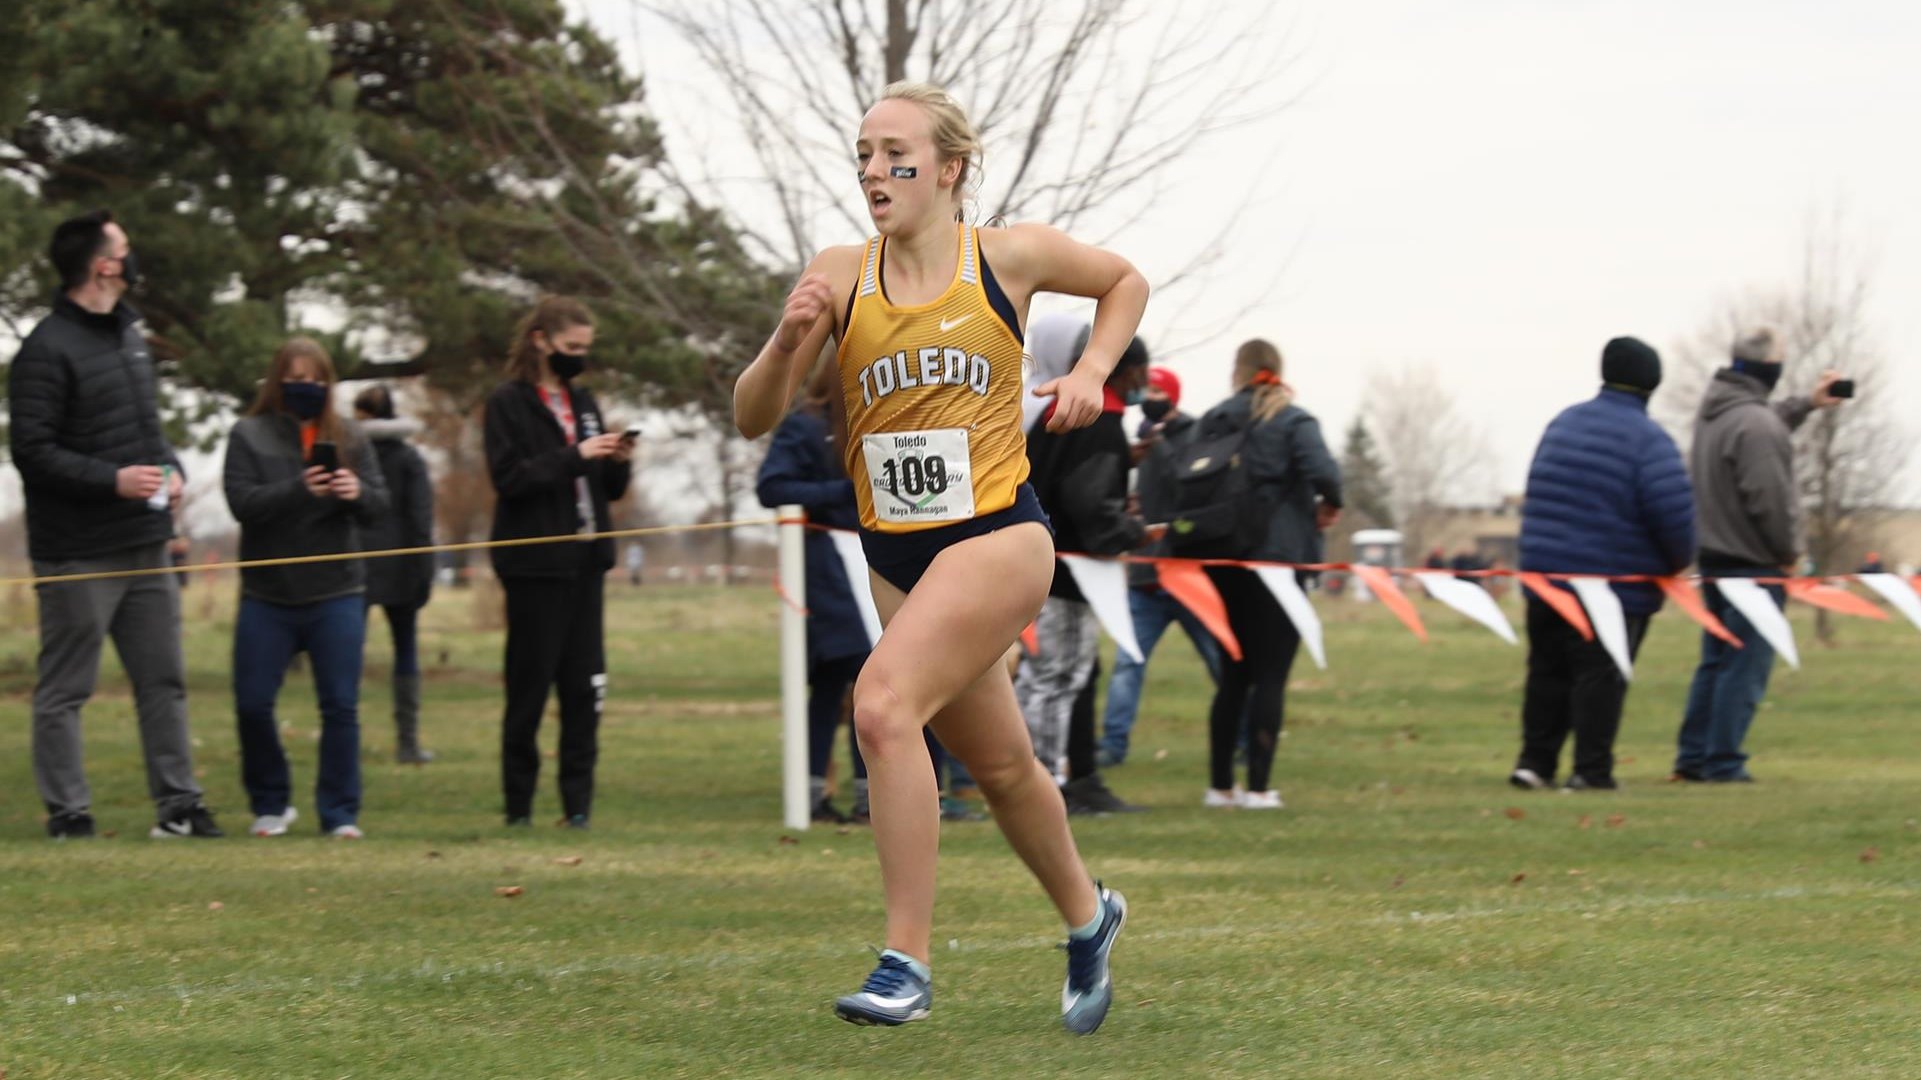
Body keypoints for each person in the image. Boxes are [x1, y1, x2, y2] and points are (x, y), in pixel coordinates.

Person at [731, 81, 1144, 1034]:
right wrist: (787, 343)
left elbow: (1125, 281)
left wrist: (1089, 371)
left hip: (999, 535)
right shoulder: (839, 274)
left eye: (894, 155)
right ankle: (1089, 917)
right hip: (896, 555)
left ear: (949, 168)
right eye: (864, 155)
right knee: (1000, 768)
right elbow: (753, 416)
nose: (874, 171)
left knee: (880, 707)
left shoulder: (1008, 255)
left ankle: (904, 961)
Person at [7, 209, 222, 840]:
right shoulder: (45, 348)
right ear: (103, 265)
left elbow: (146, 432)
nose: (132, 257)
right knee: (66, 690)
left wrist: (172, 470)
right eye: (124, 248)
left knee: (164, 680)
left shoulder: (131, 335)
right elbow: (33, 451)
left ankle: (179, 807)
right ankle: (69, 814)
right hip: (77, 553)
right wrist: (113, 480)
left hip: (145, 544)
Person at [223, 338, 391, 839]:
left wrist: (355, 492)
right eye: (297, 379)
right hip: (266, 594)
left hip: (337, 593)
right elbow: (242, 503)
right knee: (253, 703)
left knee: (340, 705)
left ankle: (340, 814)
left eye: (317, 380)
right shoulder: (247, 434)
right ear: (278, 381)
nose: (308, 388)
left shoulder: (351, 436)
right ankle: (271, 805)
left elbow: (381, 504)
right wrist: (301, 488)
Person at [1510, 337, 1694, 792]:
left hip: (1546, 579)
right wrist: (1677, 563)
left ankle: (1535, 763)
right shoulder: (1650, 441)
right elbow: (1673, 515)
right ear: (1652, 384)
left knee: (1547, 673)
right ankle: (1590, 770)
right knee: (1600, 677)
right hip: (1612, 587)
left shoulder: (1563, 423)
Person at [484, 296, 633, 827]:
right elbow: (510, 478)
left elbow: (605, 489)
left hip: (586, 567)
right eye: (572, 348)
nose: (580, 357)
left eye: (586, 349)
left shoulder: (585, 400)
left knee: (583, 690)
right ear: (540, 341)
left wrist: (616, 463)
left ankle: (578, 809)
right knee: (528, 691)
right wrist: (576, 456)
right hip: (534, 569)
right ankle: (519, 811)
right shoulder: (507, 403)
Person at [1673, 328, 1843, 783]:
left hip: (1714, 560)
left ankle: (1693, 757)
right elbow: (1771, 499)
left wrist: (1808, 402)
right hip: (1754, 565)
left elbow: (1764, 420)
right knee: (1744, 667)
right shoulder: (1756, 424)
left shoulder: (1718, 412)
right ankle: (1723, 761)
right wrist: (1791, 554)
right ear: (1769, 366)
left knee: (1715, 662)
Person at [1187, 340, 1341, 810]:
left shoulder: (1214, 417)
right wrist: (1326, 506)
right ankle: (1257, 788)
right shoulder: (1293, 419)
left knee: (1233, 675)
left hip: (1223, 560)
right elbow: (1327, 476)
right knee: (1269, 676)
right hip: (1278, 561)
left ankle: (1219, 787)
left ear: (1238, 371)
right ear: (1276, 370)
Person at [1018, 325, 1154, 814]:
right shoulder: (1101, 423)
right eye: (1140, 370)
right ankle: (1045, 784)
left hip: (1036, 563)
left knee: (1042, 677)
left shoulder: (1057, 415)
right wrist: (1131, 531)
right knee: (1058, 677)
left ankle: (1037, 777)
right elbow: (1090, 504)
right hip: (1070, 575)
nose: (1146, 380)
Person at [756, 357, 874, 824]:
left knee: (859, 684)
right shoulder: (804, 429)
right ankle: (815, 797)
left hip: (872, 566)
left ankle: (865, 797)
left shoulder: (877, 421)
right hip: (825, 571)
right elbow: (772, 487)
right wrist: (840, 494)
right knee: (851, 679)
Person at [1098, 364, 1224, 768]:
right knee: (1127, 664)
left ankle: (1239, 733)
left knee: (1219, 659)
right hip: (1145, 576)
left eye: (1156, 390)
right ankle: (1113, 746)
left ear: (1171, 395)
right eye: (1145, 389)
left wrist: (1163, 440)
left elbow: (1184, 485)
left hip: (1186, 573)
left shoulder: (1194, 436)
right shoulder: (1137, 440)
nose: (1147, 397)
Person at [352, 384, 438, 765]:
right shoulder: (409, 459)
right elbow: (421, 518)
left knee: (348, 653)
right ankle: (407, 742)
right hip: (401, 568)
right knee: (405, 650)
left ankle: (346, 739)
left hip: (356, 566)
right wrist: (424, 568)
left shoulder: (350, 459)